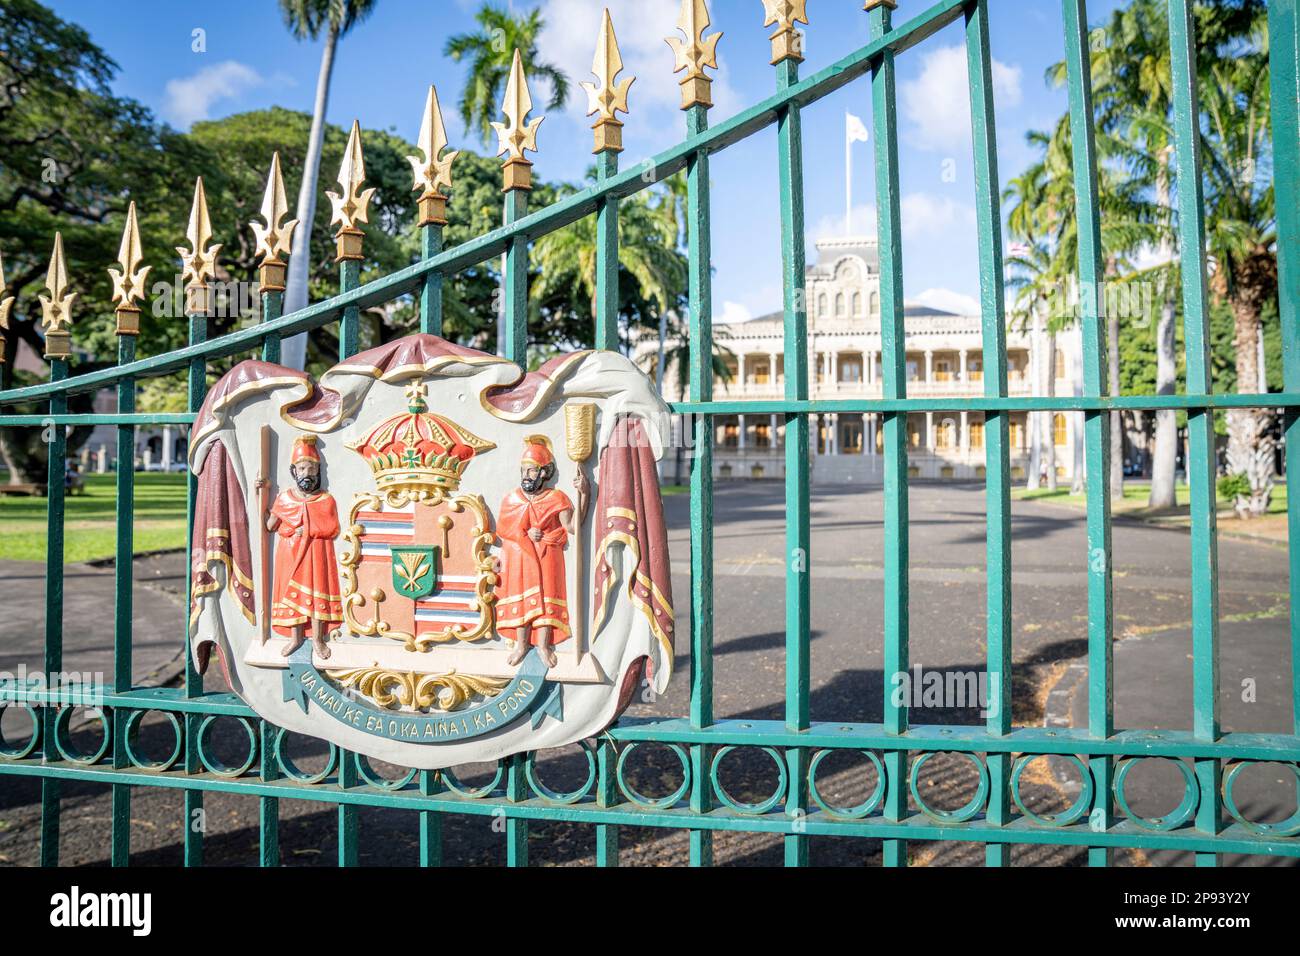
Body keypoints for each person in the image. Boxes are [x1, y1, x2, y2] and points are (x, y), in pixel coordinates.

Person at [495, 436, 589, 668]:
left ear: (545, 473)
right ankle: (521, 645)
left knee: (546, 601)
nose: (527, 475)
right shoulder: (512, 499)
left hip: (548, 556)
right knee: (524, 600)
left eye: (533, 470)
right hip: (521, 560)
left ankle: (544, 646)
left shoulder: (557, 498)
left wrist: (585, 494)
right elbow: (505, 530)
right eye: (524, 470)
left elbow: (572, 527)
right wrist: (525, 535)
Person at [258, 435, 343, 659]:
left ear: (318, 471)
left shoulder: (325, 499)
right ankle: (295, 638)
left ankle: (317, 638)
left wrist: (307, 530)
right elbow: (269, 525)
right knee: (290, 595)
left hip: (315, 554)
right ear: (294, 471)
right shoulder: (285, 499)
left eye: (312, 468)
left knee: (316, 594)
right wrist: (262, 494)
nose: (307, 473)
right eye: (302, 468)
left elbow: (332, 528)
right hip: (290, 553)